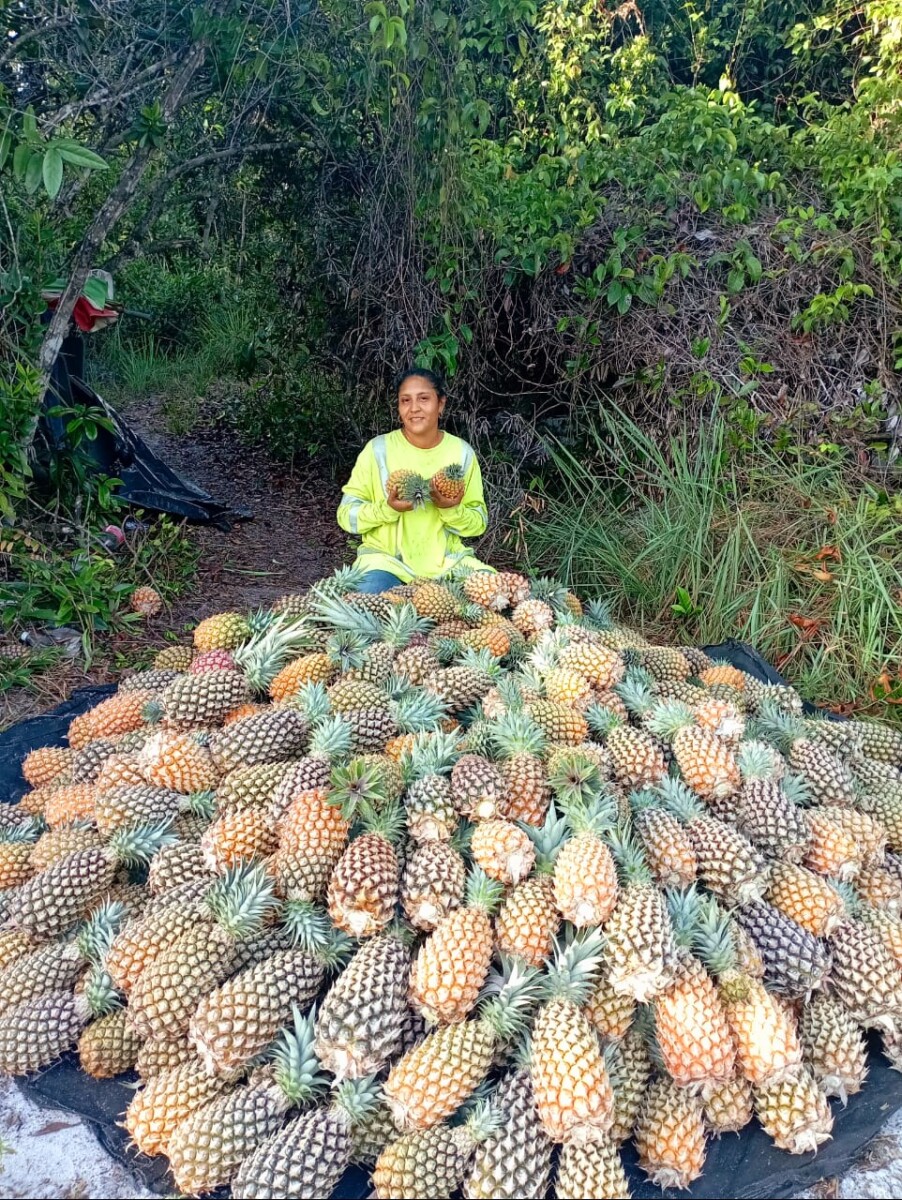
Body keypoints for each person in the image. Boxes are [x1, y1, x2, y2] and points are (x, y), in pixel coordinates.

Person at [337, 368, 492, 593]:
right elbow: (346, 516)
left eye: (424, 399)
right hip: (385, 563)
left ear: (440, 404)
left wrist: (450, 509)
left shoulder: (461, 453)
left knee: (497, 594)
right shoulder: (378, 450)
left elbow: (478, 523)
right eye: (405, 400)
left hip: (448, 564)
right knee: (364, 602)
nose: (414, 408)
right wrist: (388, 509)